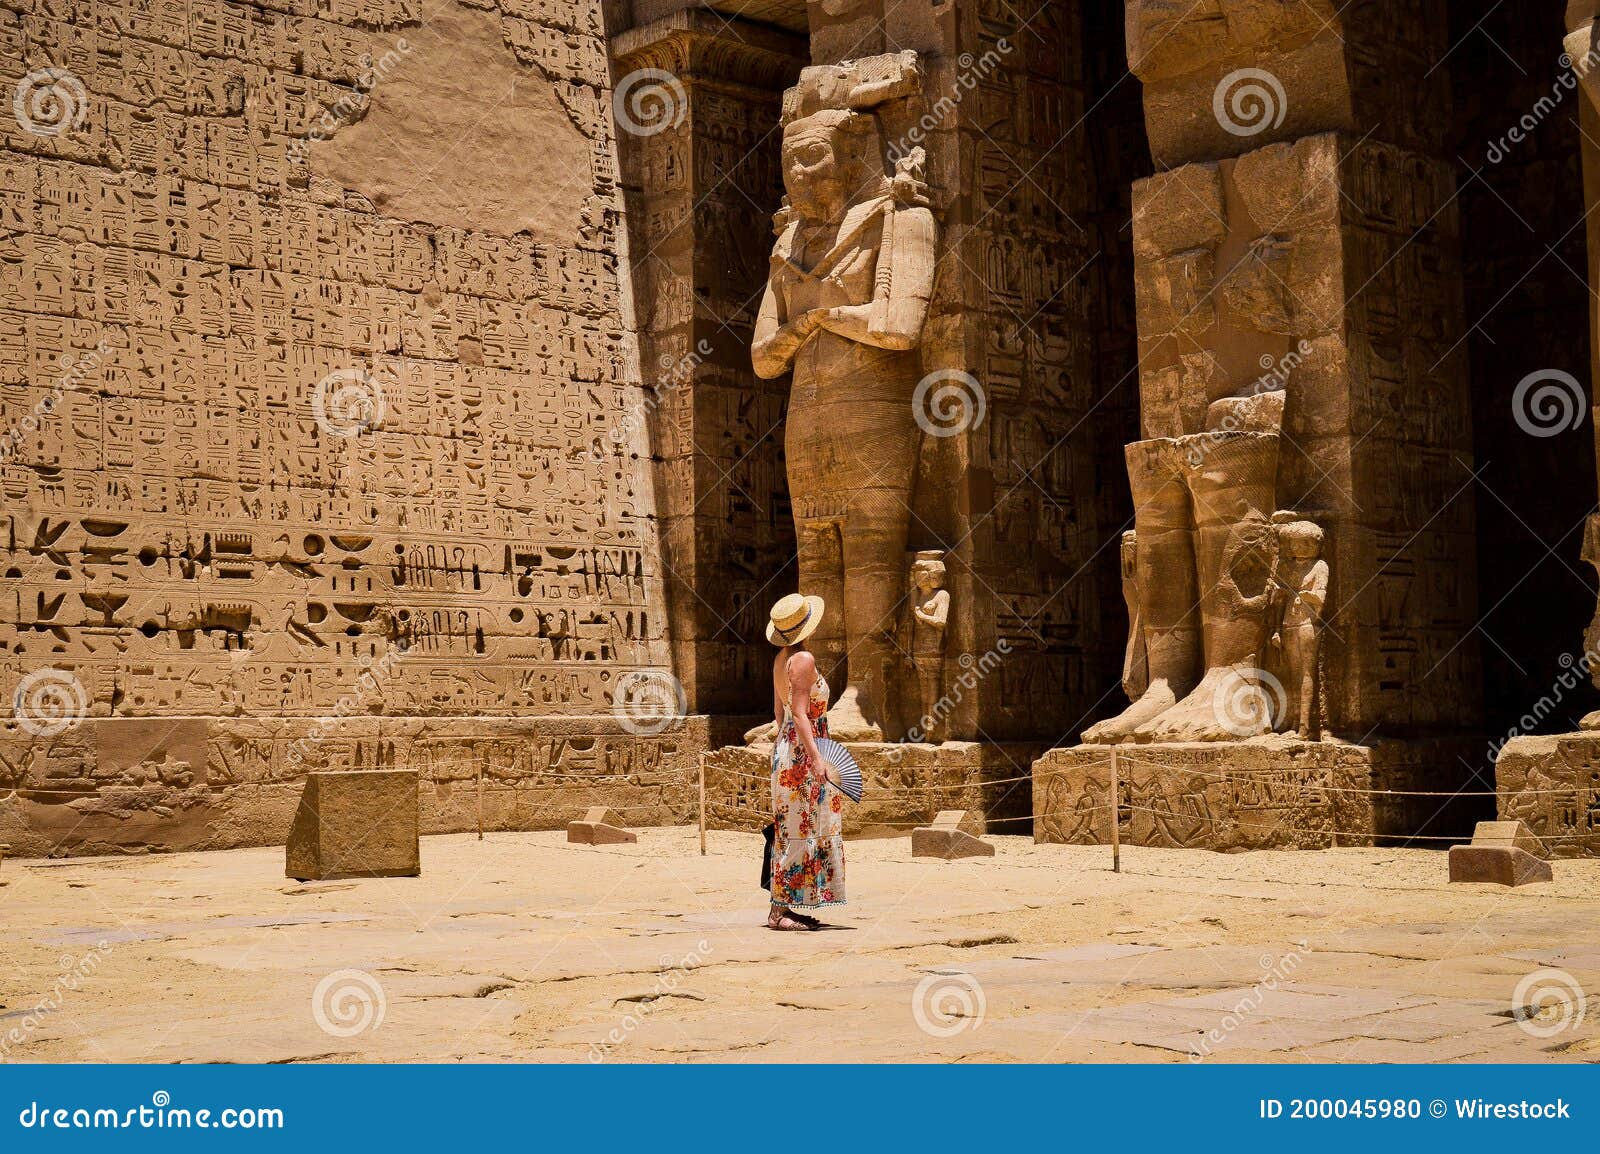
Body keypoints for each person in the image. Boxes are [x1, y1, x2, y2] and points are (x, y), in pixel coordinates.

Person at [765, 593, 846, 931]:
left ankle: (784, 905)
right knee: (800, 829)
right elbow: (799, 714)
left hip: (789, 748)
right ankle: (779, 911)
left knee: (793, 828)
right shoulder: (803, 659)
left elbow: (779, 712)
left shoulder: (781, 659)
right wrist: (816, 758)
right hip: (804, 751)